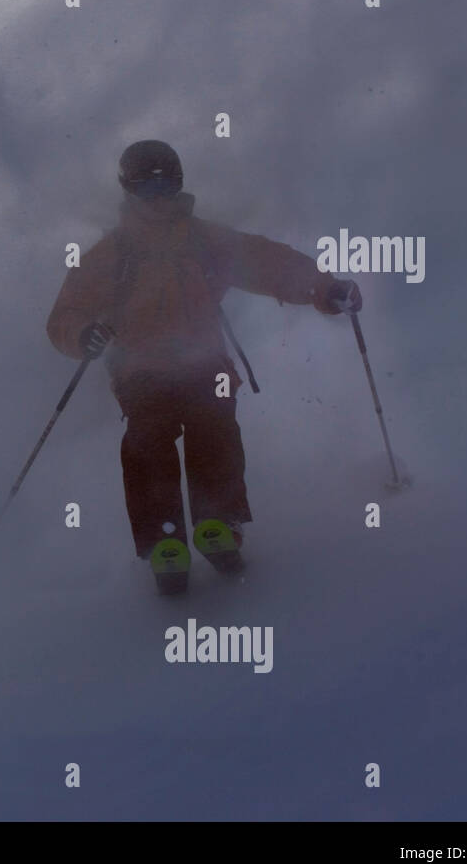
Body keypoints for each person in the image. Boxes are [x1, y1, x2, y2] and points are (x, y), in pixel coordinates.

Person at [46, 140, 361, 593]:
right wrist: (82, 335)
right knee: (147, 441)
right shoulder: (111, 255)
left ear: (180, 183)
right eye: (146, 186)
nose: (158, 196)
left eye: (167, 183)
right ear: (128, 190)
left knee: (215, 428)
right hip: (140, 368)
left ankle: (218, 523)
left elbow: (265, 262)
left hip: (204, 360)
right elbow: (65, 314)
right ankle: (165, 541)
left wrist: (325, 288)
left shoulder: (203, 240)